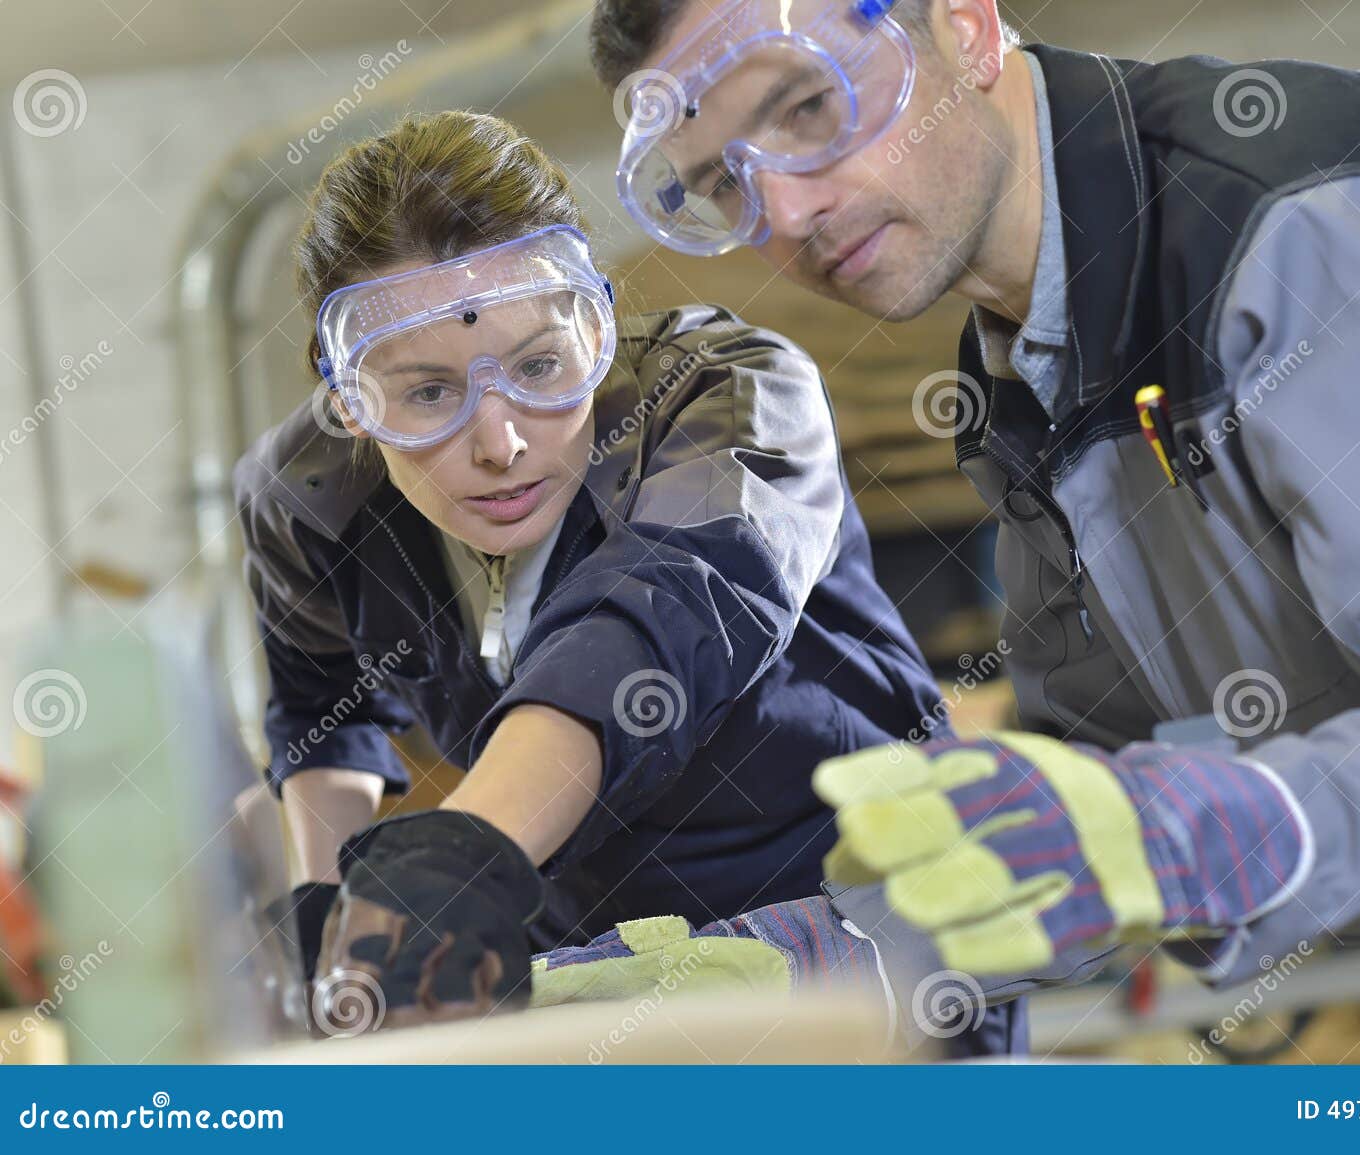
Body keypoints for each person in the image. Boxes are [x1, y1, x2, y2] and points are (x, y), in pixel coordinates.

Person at [568, 0, 1360, 1058]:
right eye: (723, 183)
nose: (783, 210)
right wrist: (827, 956)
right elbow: (1095, 789)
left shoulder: (1298, 218)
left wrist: (1214, 835)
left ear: (964, 28)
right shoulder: (1023, 374)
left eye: (805, 107)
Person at [236, 109, 1031, 1050]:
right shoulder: (311, 498)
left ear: (600, 328)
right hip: (601, 969)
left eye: (541, 365)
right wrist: (340, 929)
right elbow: (323, 711)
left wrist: (460, 857)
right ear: (348, 401)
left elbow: (646, 629)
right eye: (428, 393)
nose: (504, 442)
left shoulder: (730, 396)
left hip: (866, 944)